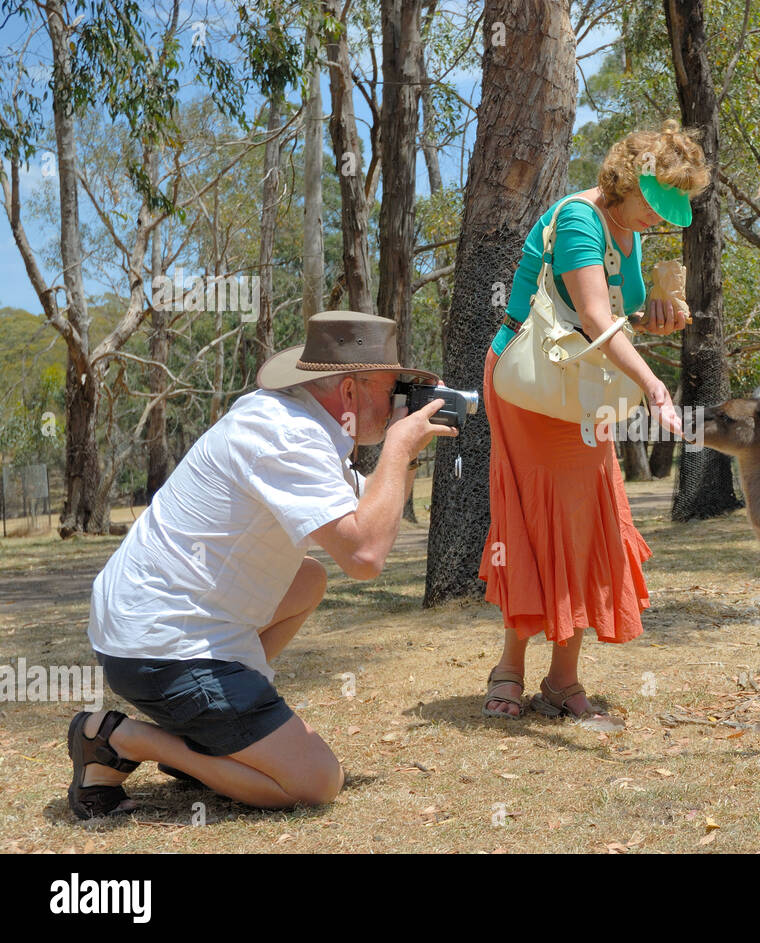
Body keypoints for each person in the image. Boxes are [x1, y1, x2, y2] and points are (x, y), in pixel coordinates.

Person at [66, 311, 457, 819]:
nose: (398, 403)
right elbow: (364, 556)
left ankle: (215, 739)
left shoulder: (300, 424)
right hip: (163, 646)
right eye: (392, 388)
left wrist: (406, 450)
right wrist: (399, 446)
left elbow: (370, 517)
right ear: (350, 391)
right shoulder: (288, 435)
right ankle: (130, 739)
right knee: (314, 783)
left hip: (160, 625)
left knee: (308, 579)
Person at [478, 120, 709, 725]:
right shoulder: (581, 220)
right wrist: (654, 383)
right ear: (626, 181)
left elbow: (618, 320)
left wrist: (655, 319)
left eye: (671, 209)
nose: (660, 219)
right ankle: (508, 670)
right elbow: (591, 315)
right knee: (534, 520)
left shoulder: (629, 232)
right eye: (655, 204)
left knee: (586, 520)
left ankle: (563, 680)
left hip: (581, 392)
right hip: (532, 386)